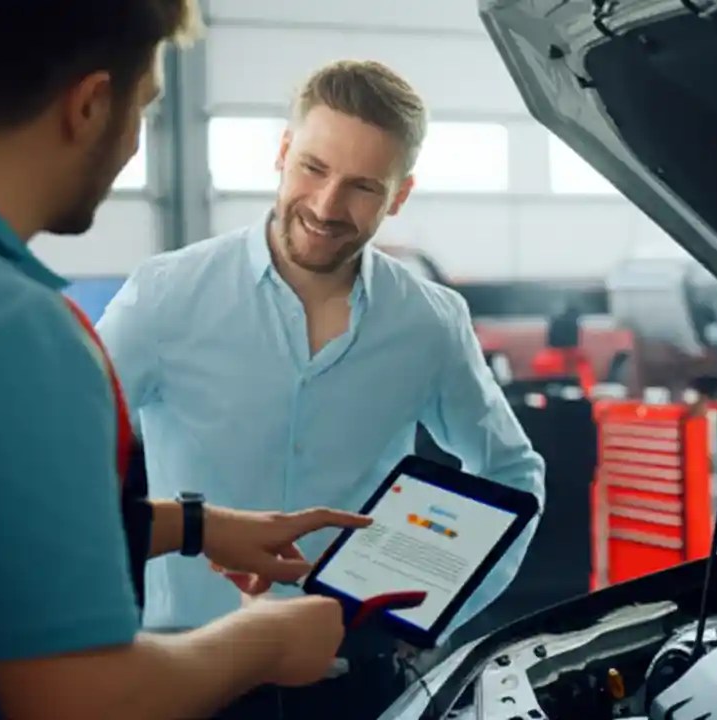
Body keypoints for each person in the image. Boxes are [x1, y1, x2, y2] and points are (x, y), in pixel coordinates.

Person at [0, 3, 373, 719]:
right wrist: (263, 642)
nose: (130, 146)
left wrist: (196, 526)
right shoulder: (9, 328)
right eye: (141, 109)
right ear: (89, 105)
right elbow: (82, 699)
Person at [96, 59, 547, 718]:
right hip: (194, 675)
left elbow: (509, 471)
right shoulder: (164, 296)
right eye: (313, 168)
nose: (328, 206)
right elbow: (58, 463)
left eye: (363, 186)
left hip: (356, 682)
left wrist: (427, 617)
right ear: (282, 154)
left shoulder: (428, 320)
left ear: (400, 195)